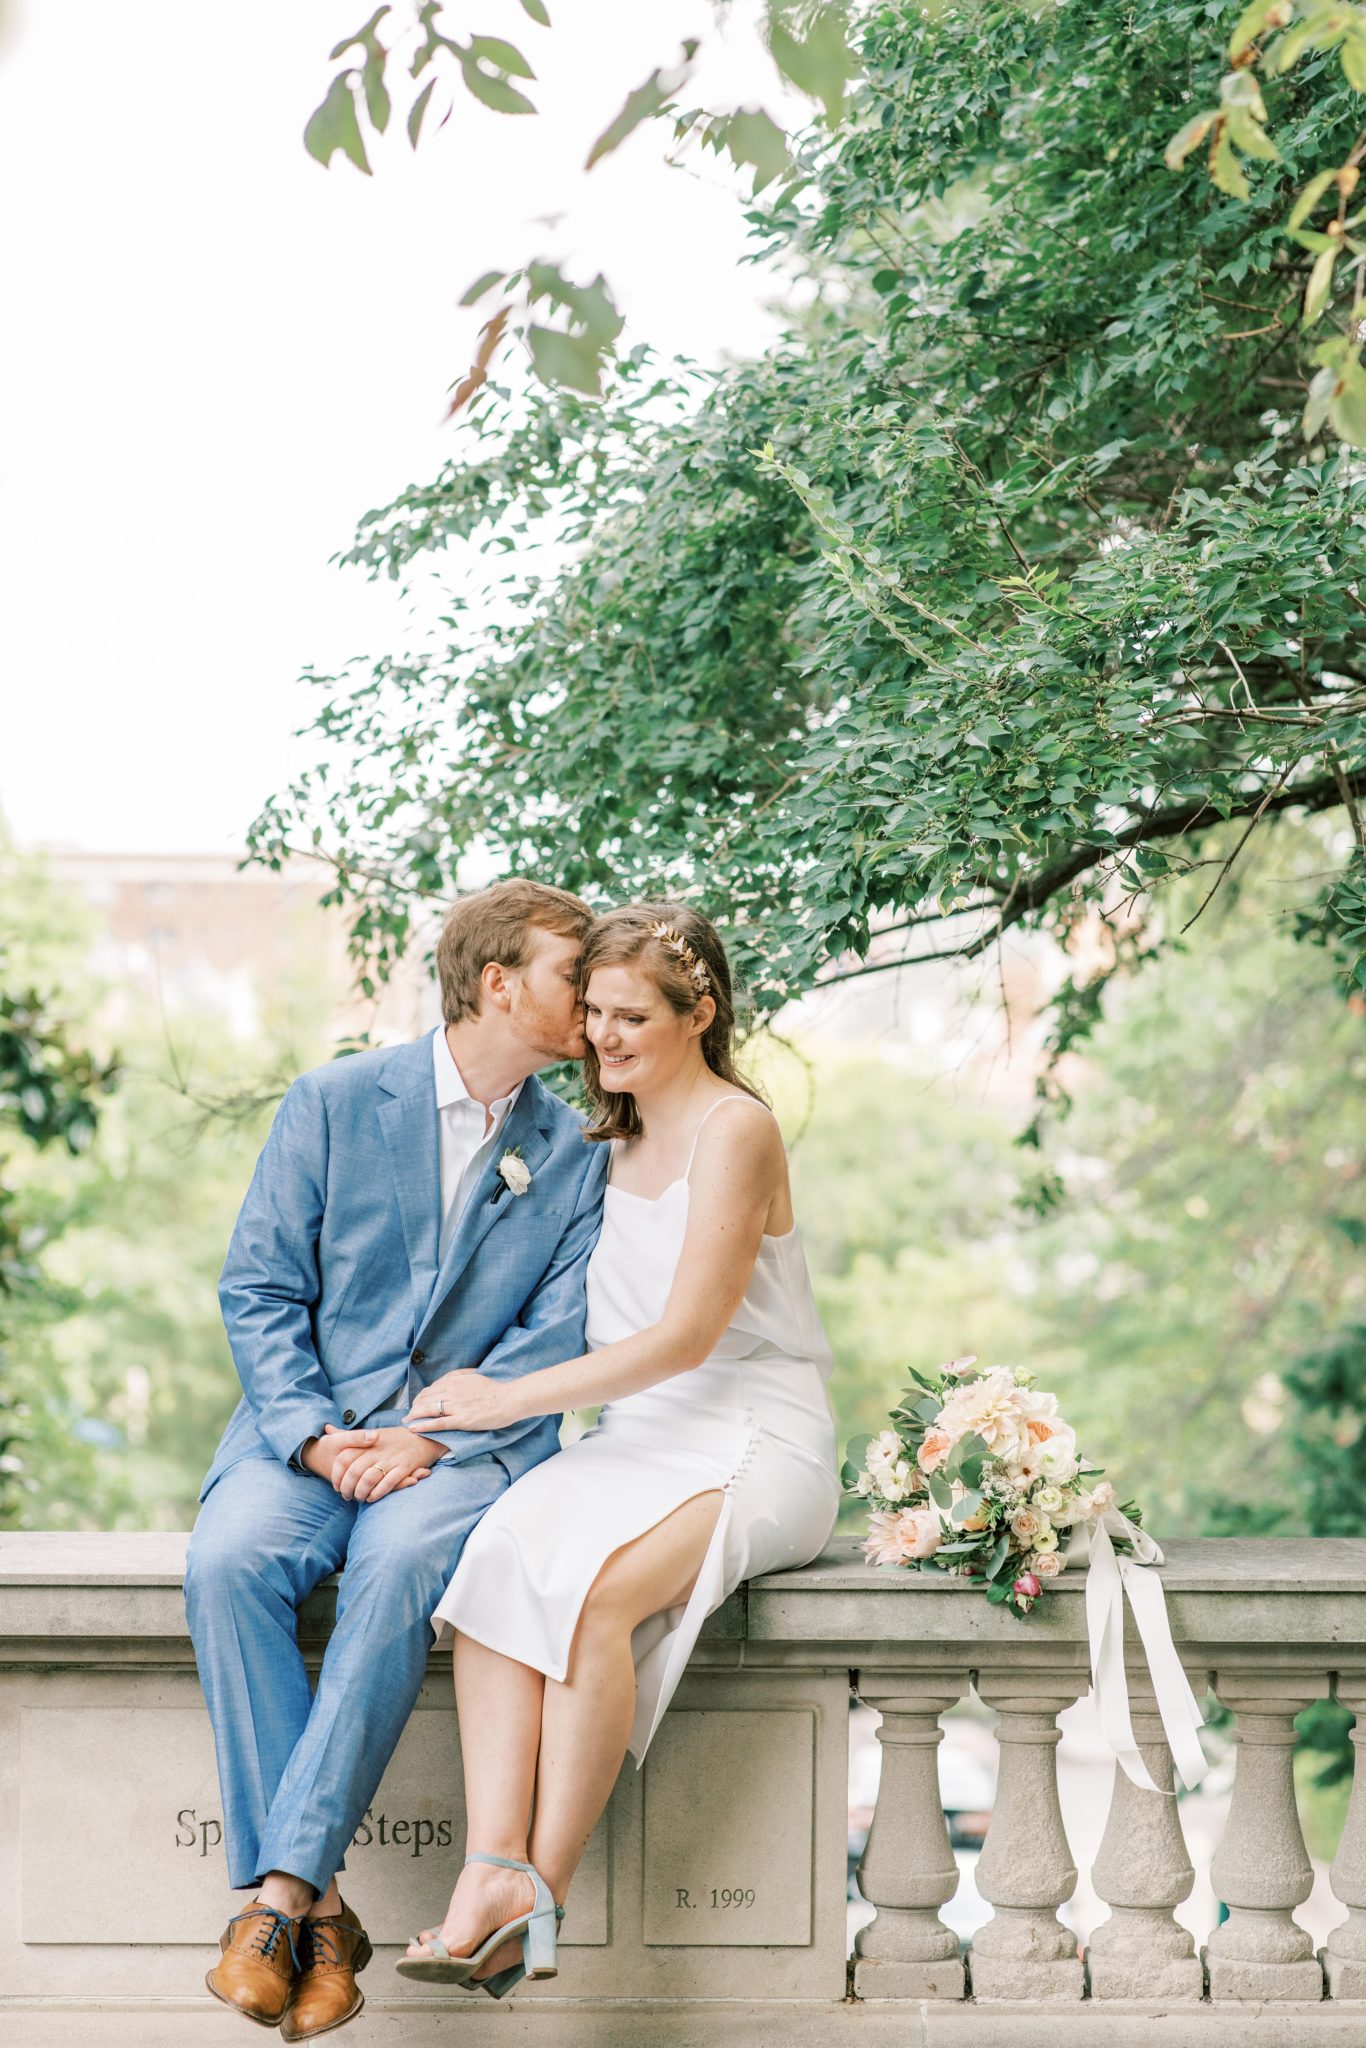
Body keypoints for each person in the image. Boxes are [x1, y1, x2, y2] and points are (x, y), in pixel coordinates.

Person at [183, 878, 608, 2041]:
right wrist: (315, 1433)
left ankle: (279, 1905)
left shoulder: (576, 1150)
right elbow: (259, 1286)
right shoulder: (328, 1100)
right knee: (225, 1564)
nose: (594, 1001)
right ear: (498, 982)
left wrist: (431, 1433)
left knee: (393, 1574)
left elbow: (557, 1333)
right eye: (575, 976)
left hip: (460, 1450)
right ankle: (321, 1914)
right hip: (299, 1433)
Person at [396, 902, 840, 1996]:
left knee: (596, 1595)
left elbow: (685, 1335)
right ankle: (489, 1867)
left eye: (631, 1013)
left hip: (751, 1433)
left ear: (703, 1010)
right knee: (492, 1556)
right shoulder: (602, 1136)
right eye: (591, 1010)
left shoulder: (736, 1129)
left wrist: (504, 1401)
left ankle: (533, 1893)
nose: (602, 1034)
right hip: (633, 1437)